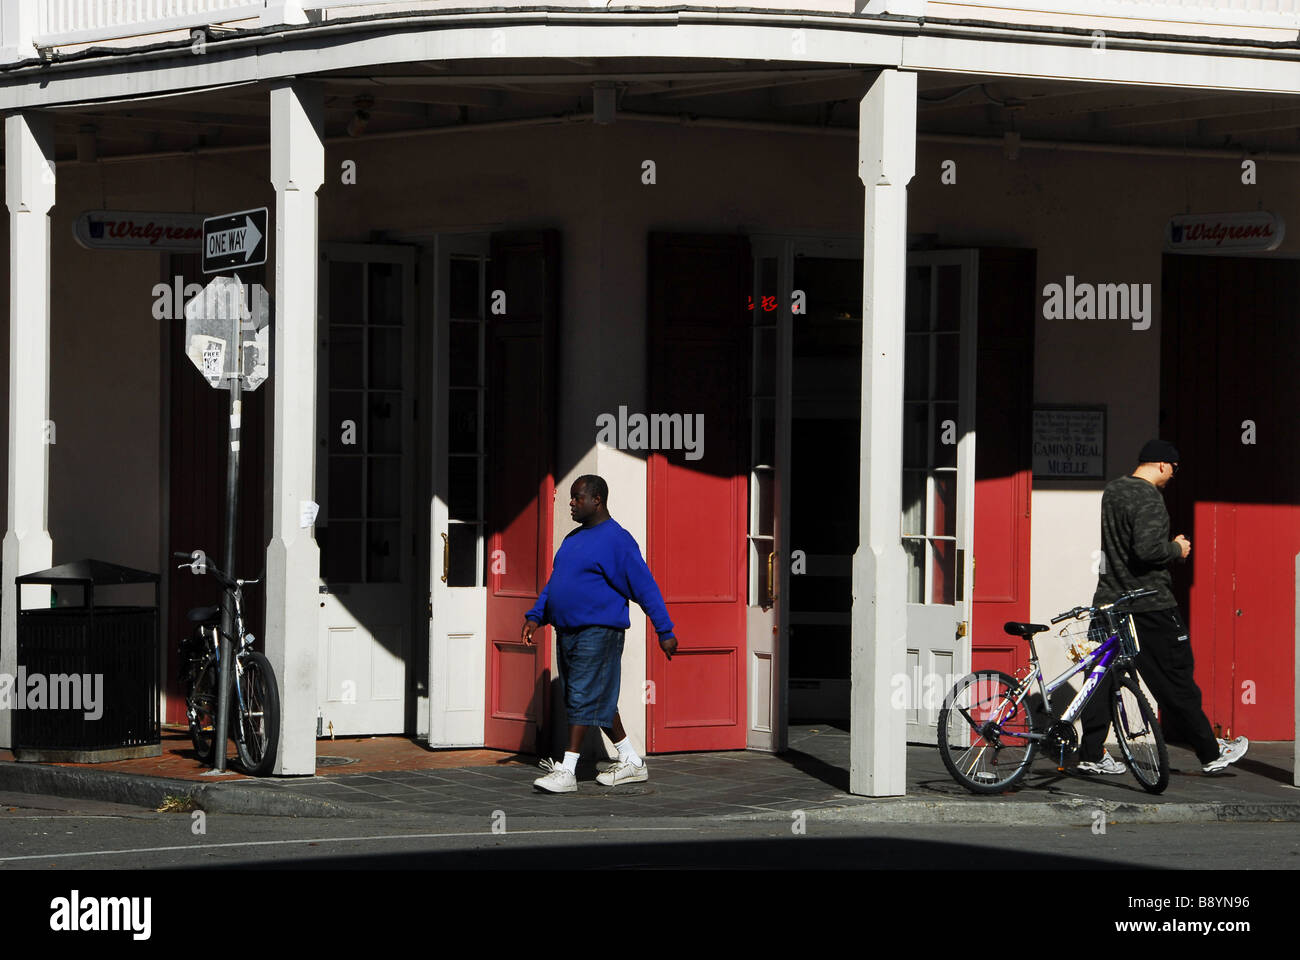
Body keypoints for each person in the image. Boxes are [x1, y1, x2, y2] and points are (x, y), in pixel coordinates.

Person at [1077, 439, 1248, 776]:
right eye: (1173, 469)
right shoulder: (1149, 498)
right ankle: (1211, 752)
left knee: (1102, 675)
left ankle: (1092, 753)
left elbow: (1121, 548)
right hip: (1150, 603)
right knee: (1175, 676)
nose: (1172, 476)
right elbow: (1147, 550)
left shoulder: (1113, 491)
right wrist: (1177, 548)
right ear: (1162, 465)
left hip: (1109, 600)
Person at [524, 474, 678, 793]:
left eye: (577, 497)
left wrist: (664, 629)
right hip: (567, 630)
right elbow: (556, 583)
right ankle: (631, 761)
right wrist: (536, 616)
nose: (571, 502)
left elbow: (645, 585)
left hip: (600, 630)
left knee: (582, 694)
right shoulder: (572, 540)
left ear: (597, 500)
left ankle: (567, 770)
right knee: (591, 698)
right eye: (571, 497)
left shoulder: (617, 540)